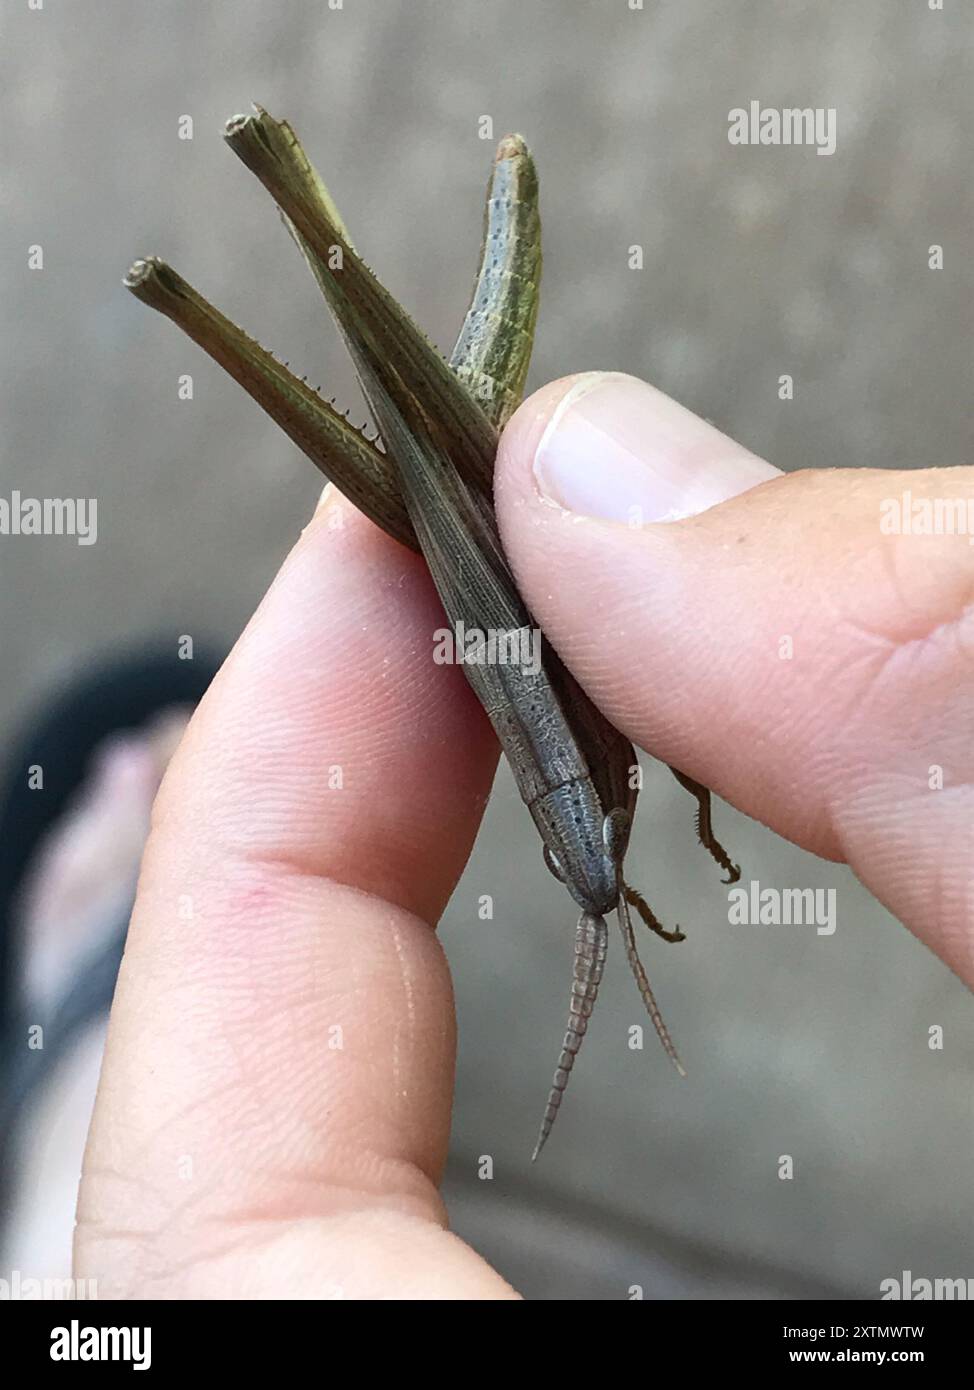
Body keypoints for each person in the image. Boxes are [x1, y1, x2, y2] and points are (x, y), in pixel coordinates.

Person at [8, 374, 974, 1298]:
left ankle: (76, 1132)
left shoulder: (610, 789)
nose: (597, 863)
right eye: (585, 852)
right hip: (496, 499)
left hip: (460, 516)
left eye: (576, 861)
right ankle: (78, 1132)